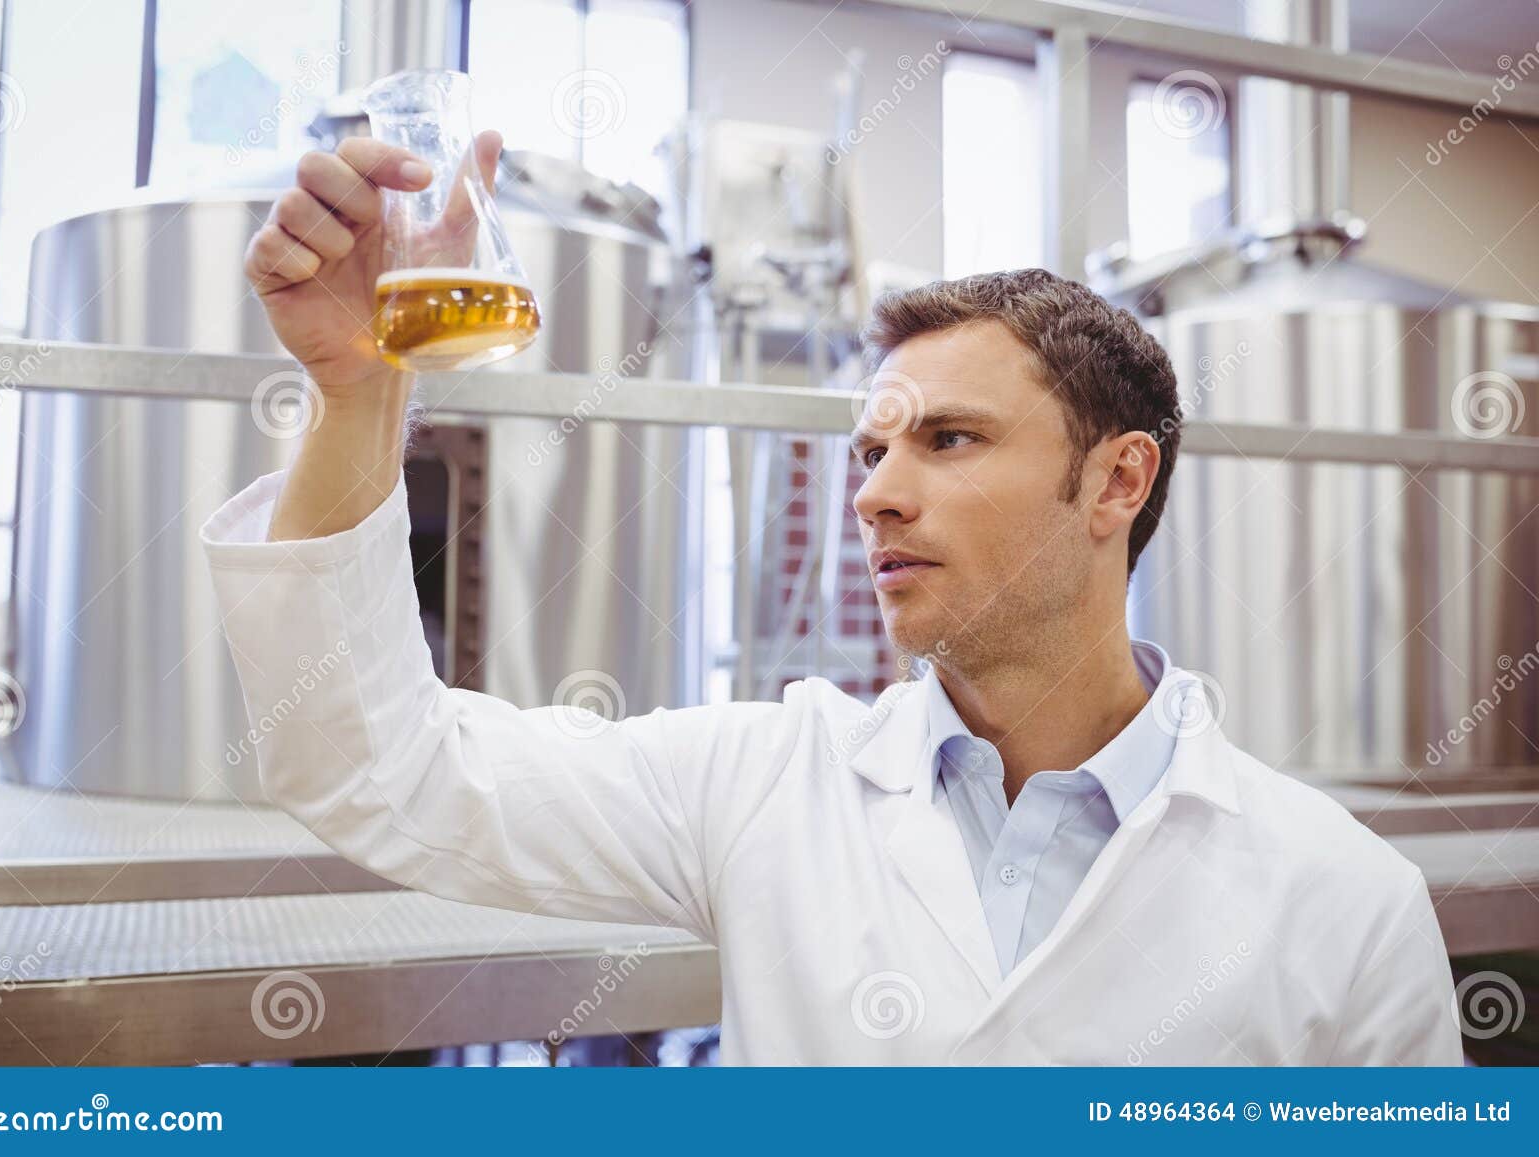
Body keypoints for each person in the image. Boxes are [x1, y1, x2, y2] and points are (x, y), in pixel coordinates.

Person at [202, 133, 1463, 1065]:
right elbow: (377, 766)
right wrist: (359, 388)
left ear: (1116, 479)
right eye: (870, 453)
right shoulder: (762, 781)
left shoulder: (1342, 900)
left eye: (950, 442)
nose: (873, 498)